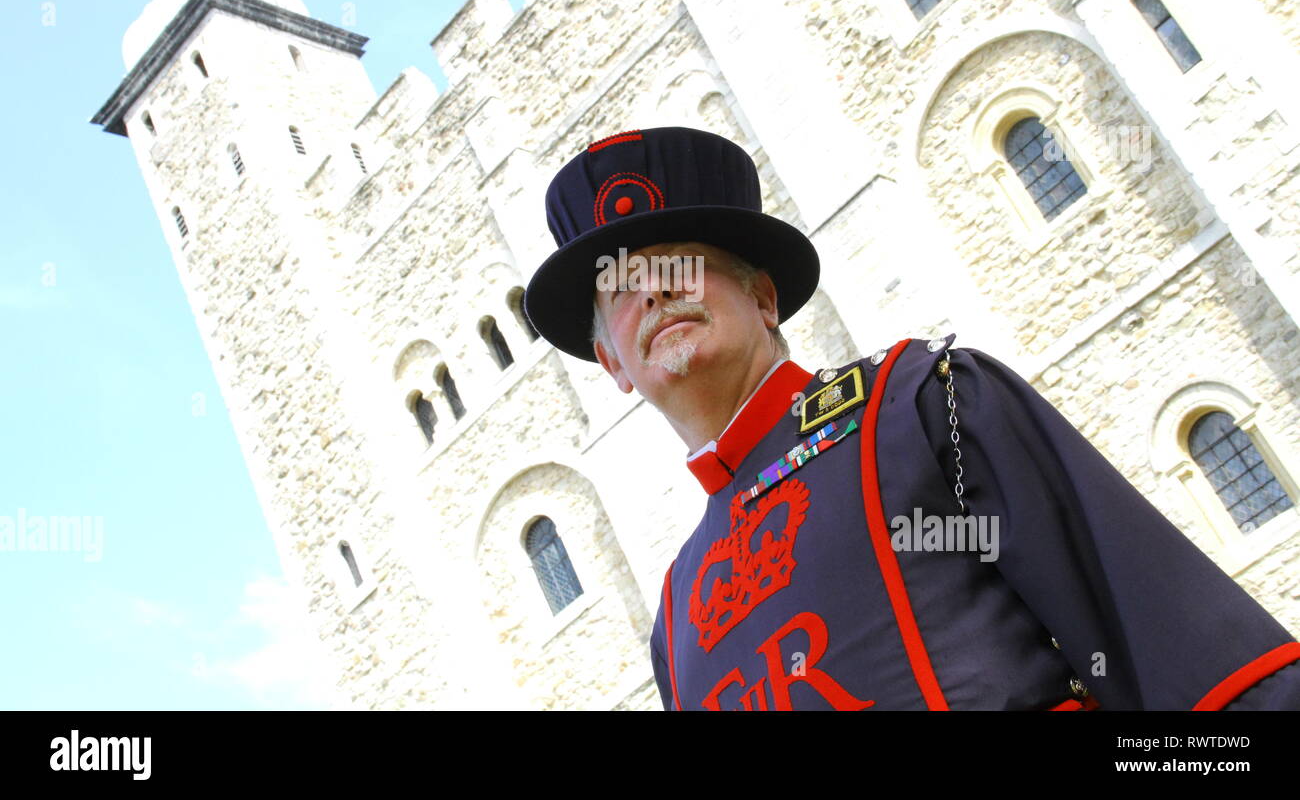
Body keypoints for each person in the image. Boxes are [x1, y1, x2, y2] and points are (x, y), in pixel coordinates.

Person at [523, 125, 1300, 710]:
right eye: (622, 286)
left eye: (678, 262)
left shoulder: (926, 406)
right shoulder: (675, 621)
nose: (655, 290)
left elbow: (1192, 662)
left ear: (762, 297)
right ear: (615, 366)